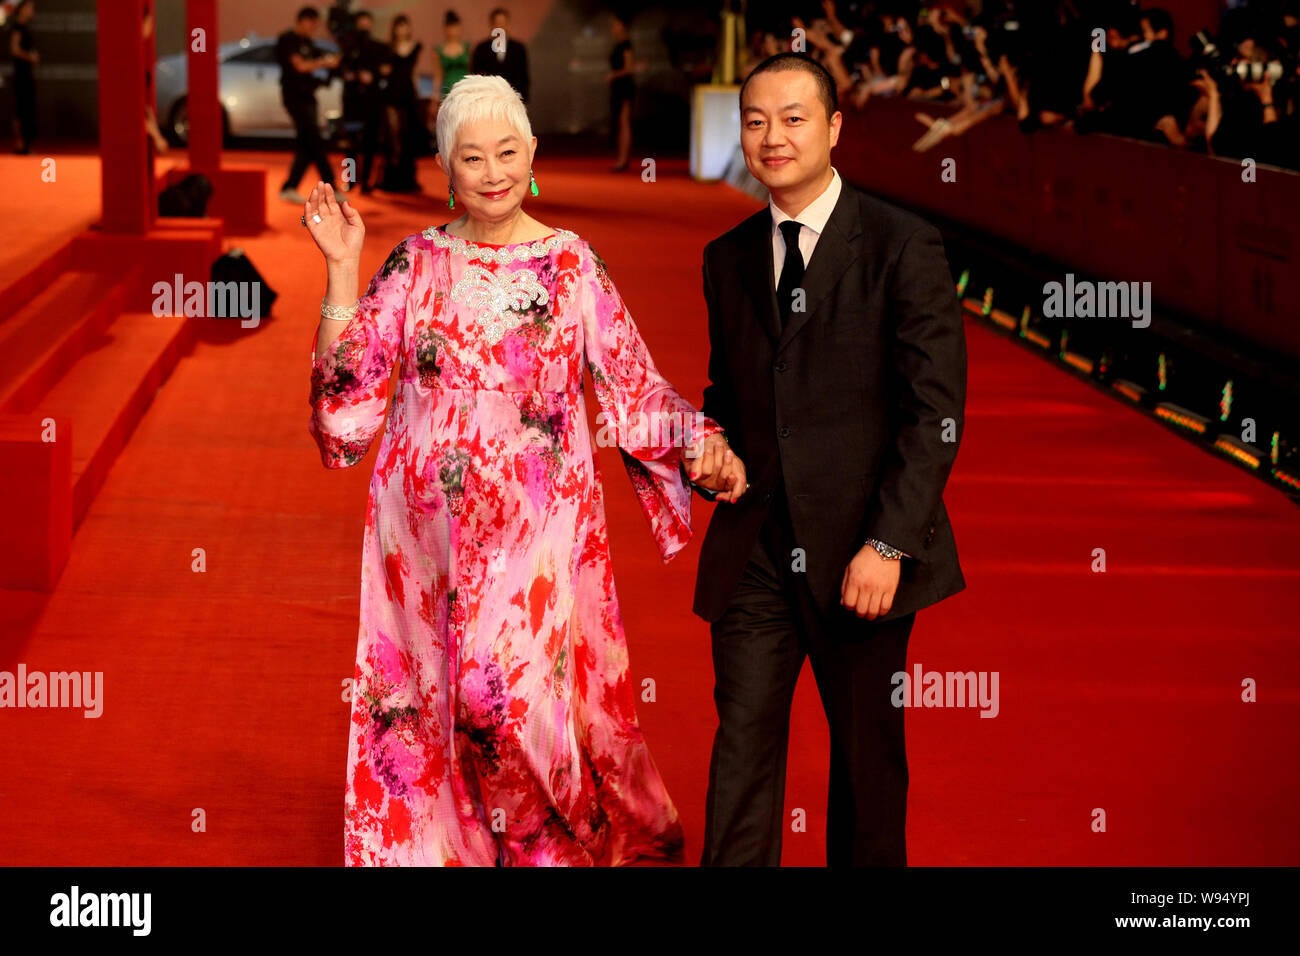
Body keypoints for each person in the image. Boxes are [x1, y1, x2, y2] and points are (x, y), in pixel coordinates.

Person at [302, 73, 746, 866]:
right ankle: (446, 848)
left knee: (495, 700)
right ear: (446, 167)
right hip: (423, 543)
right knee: (430, 699)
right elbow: (345, 416)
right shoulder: (415, 262)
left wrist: (698, 442)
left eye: (508, 151)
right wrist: (342, 269)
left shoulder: (571, 266)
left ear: (533, 152)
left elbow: (631, 382)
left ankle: (549, 848)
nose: (493, 170)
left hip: (535, 533)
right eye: (472, 157)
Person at [690, 53, 966, 867]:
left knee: (866, 768)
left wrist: (889, 544)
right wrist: (710, 446)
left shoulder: (899, 244)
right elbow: (727, 394)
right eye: (755, 121)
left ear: (835, 127)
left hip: (862, 555)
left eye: (793, 118)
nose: (772, 137)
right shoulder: (727, 257)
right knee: (741, 755)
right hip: (757, 553)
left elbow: (935, 415)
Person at [276, 6, 341, 203]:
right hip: (294, 96)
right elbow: (300, 66)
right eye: (312, 24)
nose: (313, 29)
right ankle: (331, 186)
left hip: (309, 96)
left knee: (308, 142)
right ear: (304, 20)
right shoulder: (287, 39)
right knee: (314, 140)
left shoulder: (308, 42)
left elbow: (317, 62)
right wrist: (323, 62)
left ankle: (290, 186)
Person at [339, 9, 383, 195]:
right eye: (362, 21)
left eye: (368, 21)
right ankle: (351, 180)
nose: (365, 25)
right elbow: (341, 68)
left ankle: (366, 182)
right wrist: (352, 75)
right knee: (351, 144)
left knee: (370, 142)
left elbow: (383, 70)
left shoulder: (377, 47)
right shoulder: (347, 46)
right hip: (352, 101)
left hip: (371, 100)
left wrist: (372, 77)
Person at [377, 14, 423, 192]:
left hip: (408, 94)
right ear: (394, 29)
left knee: (407, 136)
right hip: (391, 94)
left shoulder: (416, 46)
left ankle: (407, 180)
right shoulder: (388, 48)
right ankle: (390, 179)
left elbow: (416, 72)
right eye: (399, 26)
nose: (402, 29)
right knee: (393, 135)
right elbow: (383, 70)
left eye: (405, 26)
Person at [470, 7, 529, 103]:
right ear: (491, 25)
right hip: (488, 100)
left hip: (513, 100)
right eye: (497, 24)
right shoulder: (481, 48)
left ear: (508, 24)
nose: (500, 28)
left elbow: (523, 77)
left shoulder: (518, 49)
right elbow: (476, 75)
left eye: (503, 24)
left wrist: (521, 100)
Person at [606, 14, 636, 171]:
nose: (613, 28)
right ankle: (622, 158)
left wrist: (613, 75)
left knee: (624, 123)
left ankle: (623, 159)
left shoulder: (625, 45)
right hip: (619, 86)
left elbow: (629, 67)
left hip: (624, 87)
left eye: (616, 24)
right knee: (621, 123)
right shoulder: (619, 44)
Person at [8, 0, 37, 154]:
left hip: (27, 73)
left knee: (26, 108)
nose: (32, 10)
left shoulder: (25, 27)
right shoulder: (18, 28)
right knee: (20, 108)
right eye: (29, 7)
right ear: (22, 9)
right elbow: (14, 49)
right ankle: (19, 144)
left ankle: (25, 143)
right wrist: (30, 57)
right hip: (21, 74)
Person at [433, 10, 470, 105]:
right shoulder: (438, 50)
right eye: (450, 27)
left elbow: (472, 71)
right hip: (447, 91)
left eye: (455, 26)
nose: (453, 30)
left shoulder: (468, 47)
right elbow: (438, 75)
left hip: (465, 91)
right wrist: (434, 98)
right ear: (444, 28)